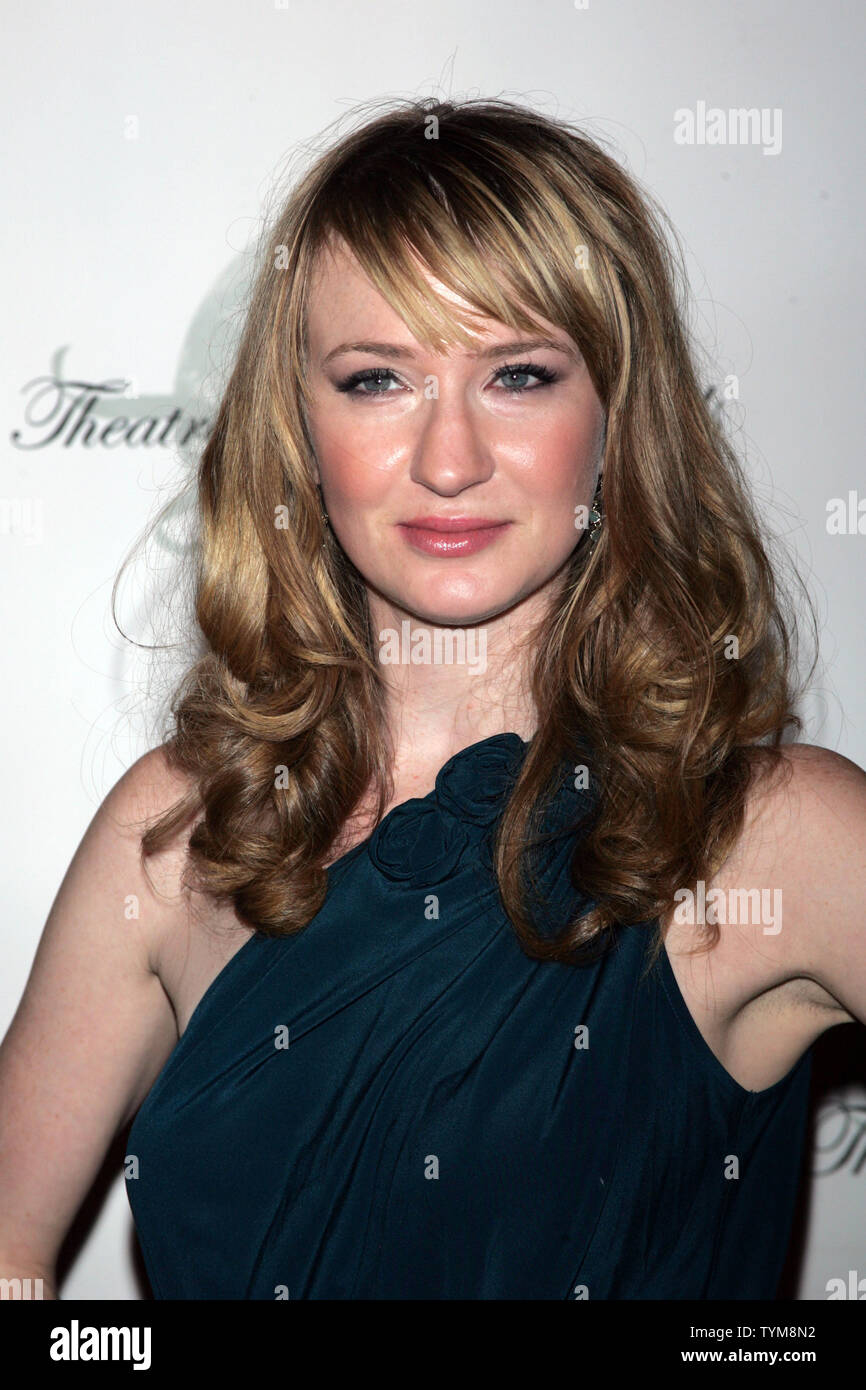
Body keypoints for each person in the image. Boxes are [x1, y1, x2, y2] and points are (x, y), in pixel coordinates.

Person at [1, 97, 864, 1302]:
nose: (448, 459)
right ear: (297, 427)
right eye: (376, 380)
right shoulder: (182, 834)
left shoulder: (774, 835)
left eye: (517, 374)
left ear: (615, 416)